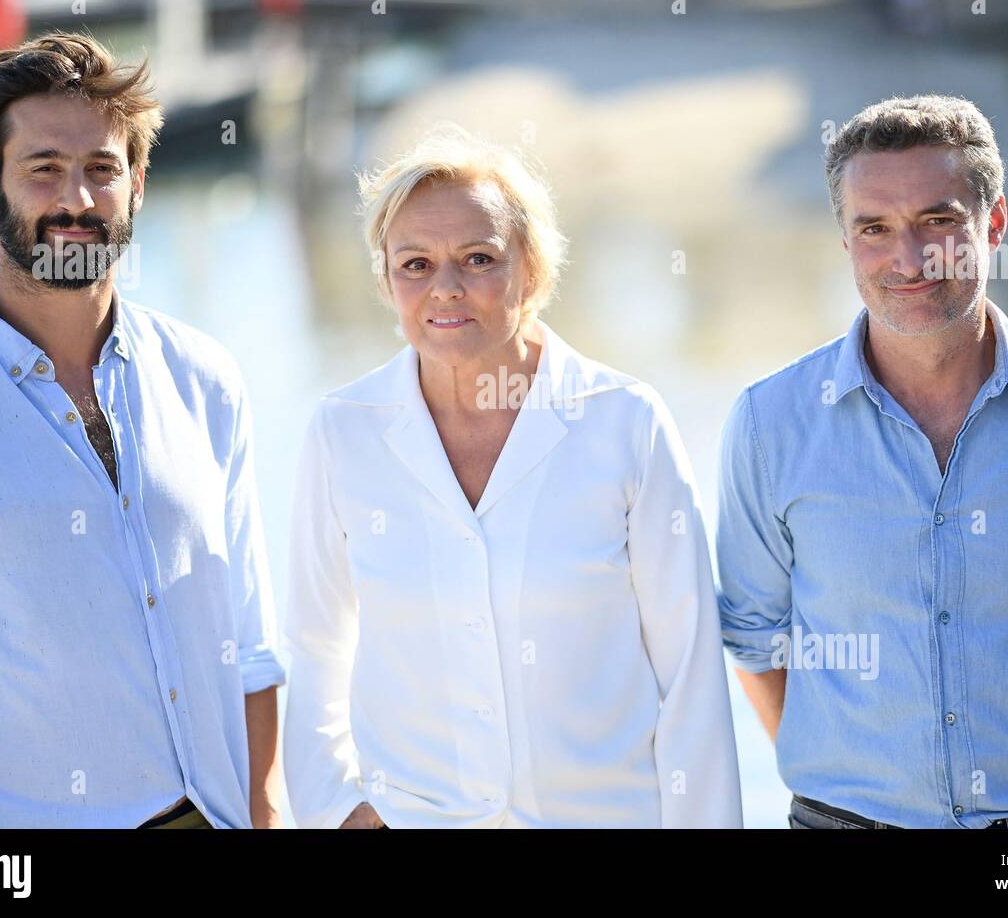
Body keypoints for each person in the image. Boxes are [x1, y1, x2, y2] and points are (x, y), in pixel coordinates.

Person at [717, 94, 1008, 829]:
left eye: (938, 220)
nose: (907, 258)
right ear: (844, 239)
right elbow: (753, 634)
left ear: (993, 223)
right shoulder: (771, 424)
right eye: (874, 228)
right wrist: (858, 779)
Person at [283, 125, 741, 828]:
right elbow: (316, 647)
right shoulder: (343, 430)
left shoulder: (624, 423)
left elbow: (691, 673)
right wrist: (337, 809)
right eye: (414, 264)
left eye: (477, 258)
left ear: (531, 268)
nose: (446, 289)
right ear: (384, 278)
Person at [0, 32, 284, 828]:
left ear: (138, 183)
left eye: (102, 169)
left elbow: (251, 647)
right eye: (43, 169)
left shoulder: (206, 380)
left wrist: (270, 815)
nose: (76, 200)